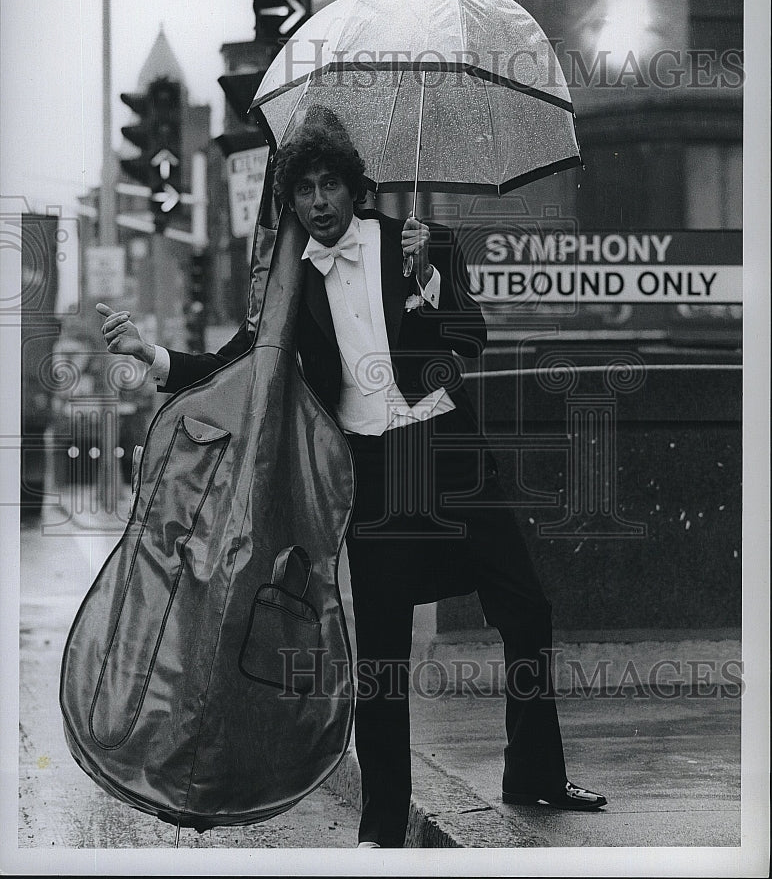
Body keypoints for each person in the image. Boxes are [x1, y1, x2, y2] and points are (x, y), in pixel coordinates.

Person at [97, 110, 606, 849]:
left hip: (451, 456)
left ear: (353, 186)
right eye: (303, 190)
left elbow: (471, 339)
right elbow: (242, 364)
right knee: (384, 658)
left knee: (528, 610)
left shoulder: (419, 242)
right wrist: (153, 357)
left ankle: (533, 773)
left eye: (329, 184)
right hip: (372, 472)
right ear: (292, 202)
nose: (318, 202)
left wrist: (429, 280)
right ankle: (381, 828)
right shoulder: (290, 285)